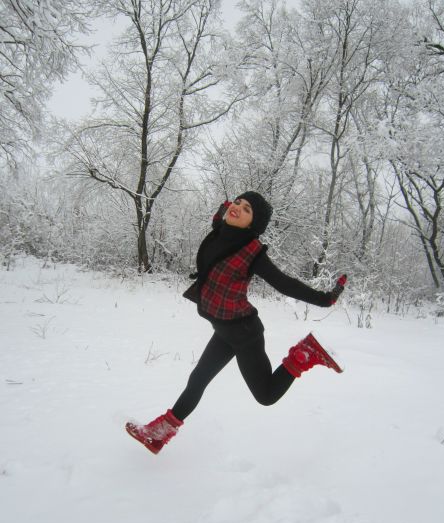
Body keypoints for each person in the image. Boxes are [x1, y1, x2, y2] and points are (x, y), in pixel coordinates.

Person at [126, 192, 347, 454]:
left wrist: (325, 299)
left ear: (253, 223)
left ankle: (305, 354)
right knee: (198, 379)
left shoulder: (253, 252)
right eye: (238, 203)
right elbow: (221, 221)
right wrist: (225, 209)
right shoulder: (220, 231)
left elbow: (284, 283)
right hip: (223, 329)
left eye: (247, 209)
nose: (238, 208)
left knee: (266, 396)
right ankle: (158, 434)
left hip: (244, 333)